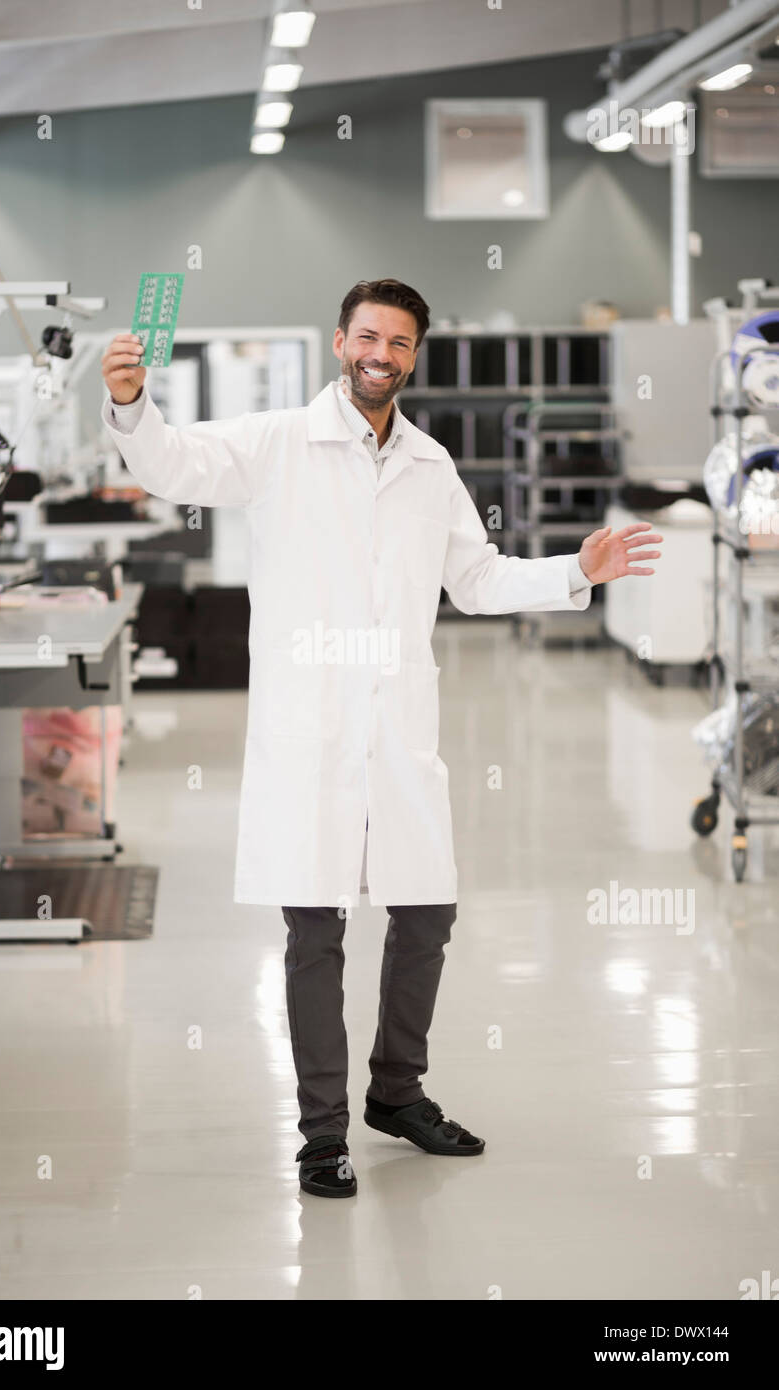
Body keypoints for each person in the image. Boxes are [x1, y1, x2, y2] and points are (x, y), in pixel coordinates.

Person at [101, 278, 663, 1199]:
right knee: (314, 929)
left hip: (397, 731)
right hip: (309, 732)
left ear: (412, 356)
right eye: (369, 337)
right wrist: (130, 398)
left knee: (426, 913)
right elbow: (172, 464)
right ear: (338, 342)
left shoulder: (431, 466)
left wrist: (576, 568)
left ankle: (396, 1094)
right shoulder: (278, 442)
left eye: (399, 344)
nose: (382, 355)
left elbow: (476, 580)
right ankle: (322, 1135)